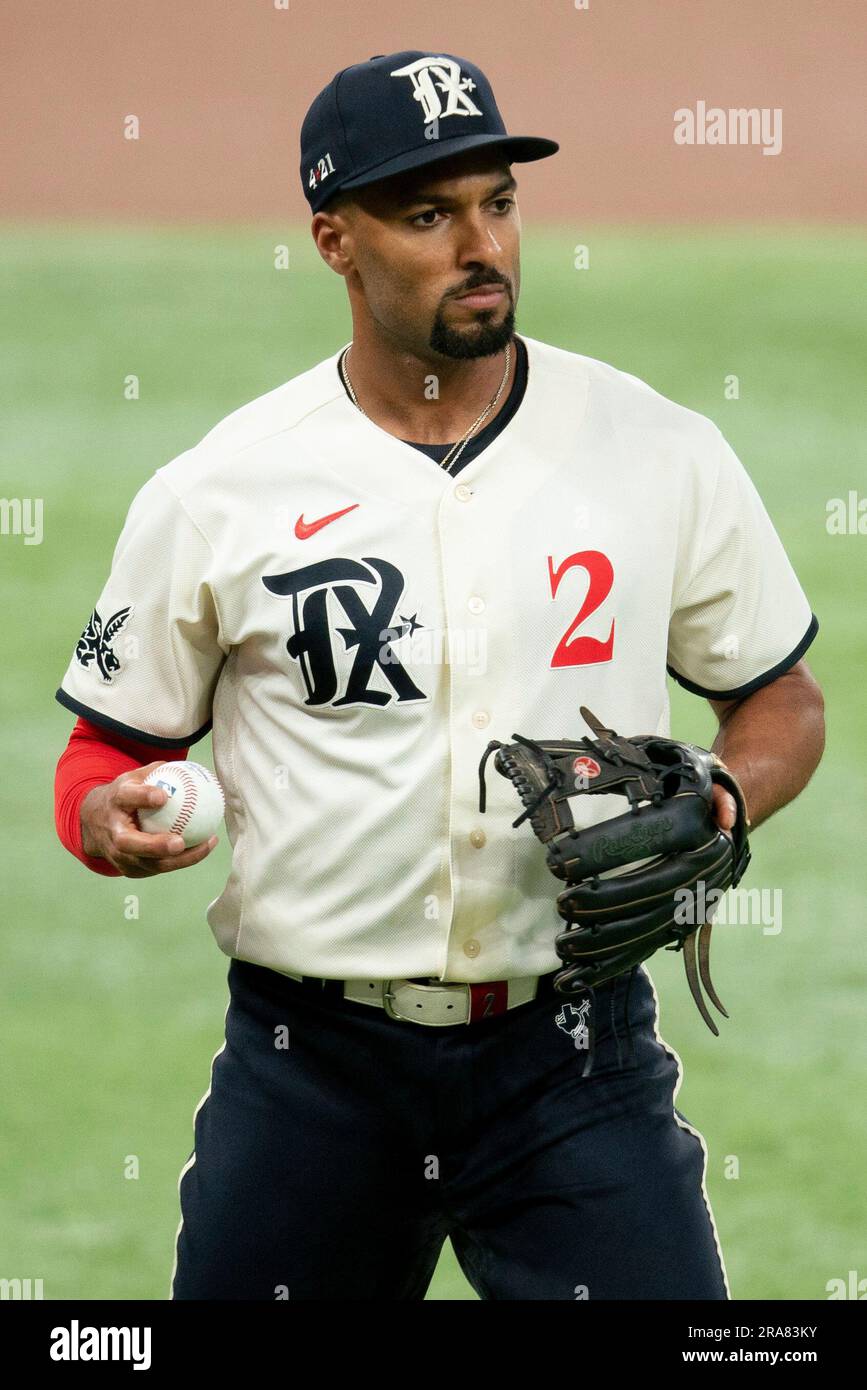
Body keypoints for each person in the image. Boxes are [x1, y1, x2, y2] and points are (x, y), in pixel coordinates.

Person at [54, 51, 825, 1300]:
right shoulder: (219, 489)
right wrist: (105, 818)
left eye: (498, 203)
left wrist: (726, 794)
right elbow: (104, 753)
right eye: (428, 215)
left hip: (575, 1059)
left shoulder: (656, 448)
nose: (483, 244)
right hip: (313, 1070)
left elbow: (780, 698)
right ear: (333, 240)